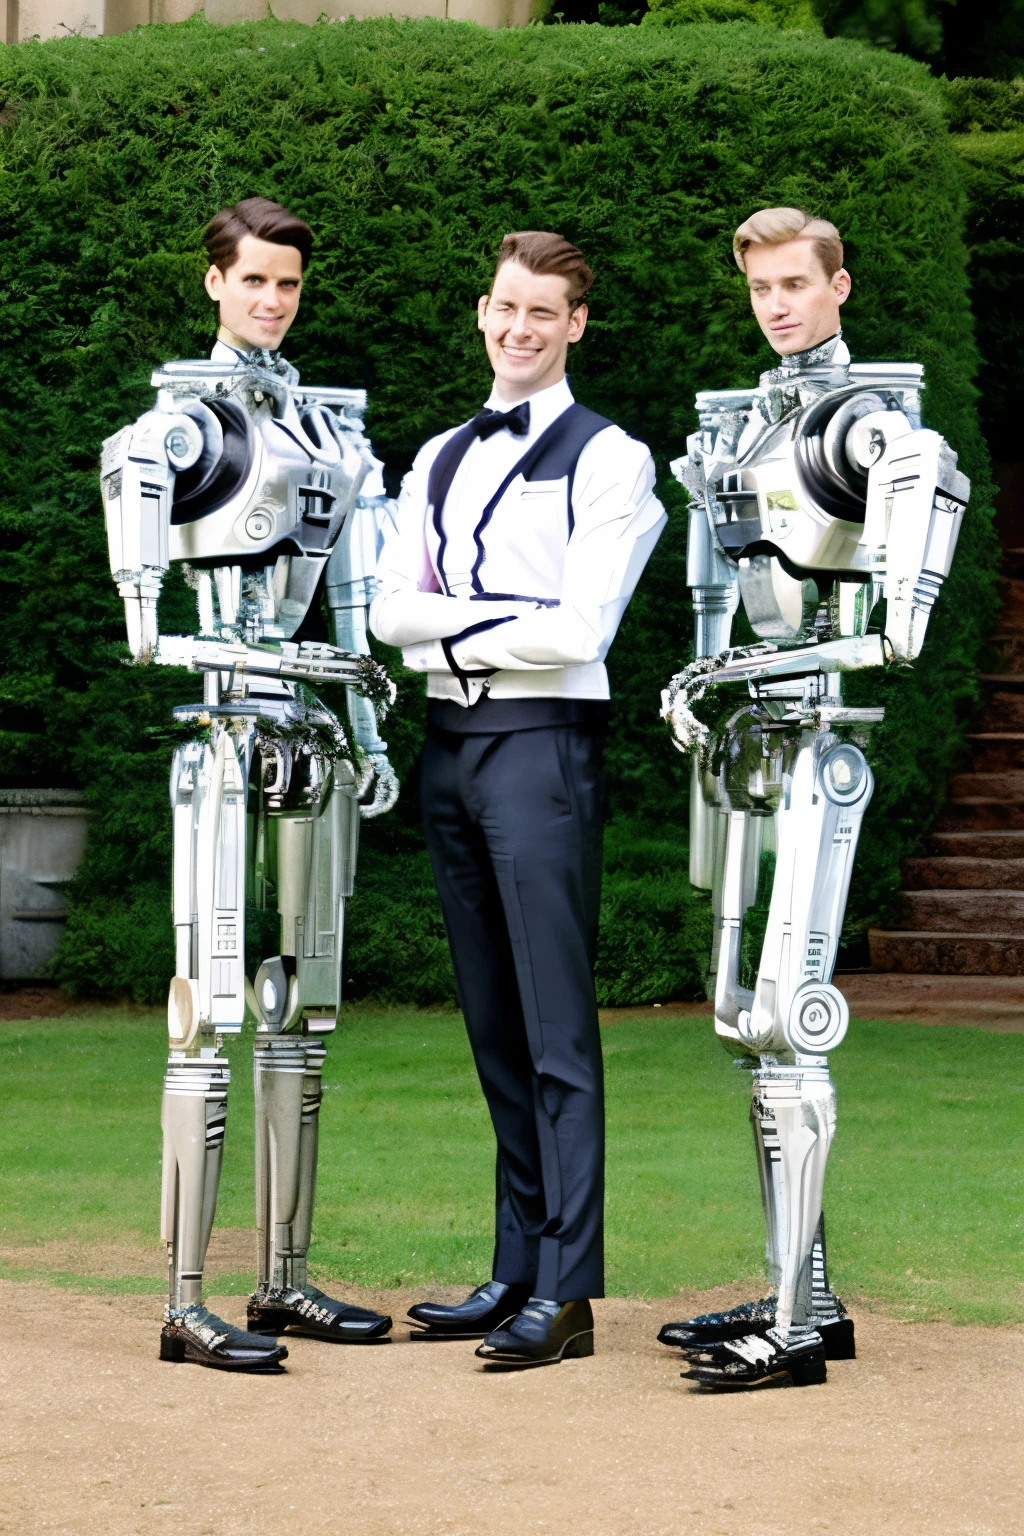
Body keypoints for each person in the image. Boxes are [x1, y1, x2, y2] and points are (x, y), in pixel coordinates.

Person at [658, 208, 969, 1386]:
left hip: (819, 739)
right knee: (746, 1017)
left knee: (792, 1019)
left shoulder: (861, 422)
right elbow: (721, 575)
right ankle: (812, 1292)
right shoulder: (754, 421)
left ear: (840, 284)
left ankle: (791, 1331)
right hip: (755, 737)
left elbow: (897, 609)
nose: (779, 304)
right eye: (761, 287)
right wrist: (720, 666)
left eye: (797, 283)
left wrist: (739, 666)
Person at [101, 198, 399, 1369]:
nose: (271, 300)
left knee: (302, 1015)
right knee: (207, 1011)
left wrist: (365, 733)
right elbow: (145, 631)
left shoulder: (327, 431)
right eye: (253, 281)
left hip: (313, 737)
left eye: (286, 284)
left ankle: (282, 1281)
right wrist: (261, 662)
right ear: (214, 282)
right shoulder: (176, 426)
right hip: (223, 734)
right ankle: (184, 1300)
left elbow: (357, 602)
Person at [370, 232, 666, 1367]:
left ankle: (571, 1293)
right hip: (451, 744)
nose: (518, 329)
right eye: (505, 307)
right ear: (483, 310)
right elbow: (387, 618)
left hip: (543, 745)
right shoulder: (440, 452)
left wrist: (453, 615)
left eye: (543, 313)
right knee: (494, 1025)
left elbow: (580, 630)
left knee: (554, 1030)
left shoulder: (610, 457)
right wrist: (499, 612)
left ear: (574, 325)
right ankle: (514, 1270)